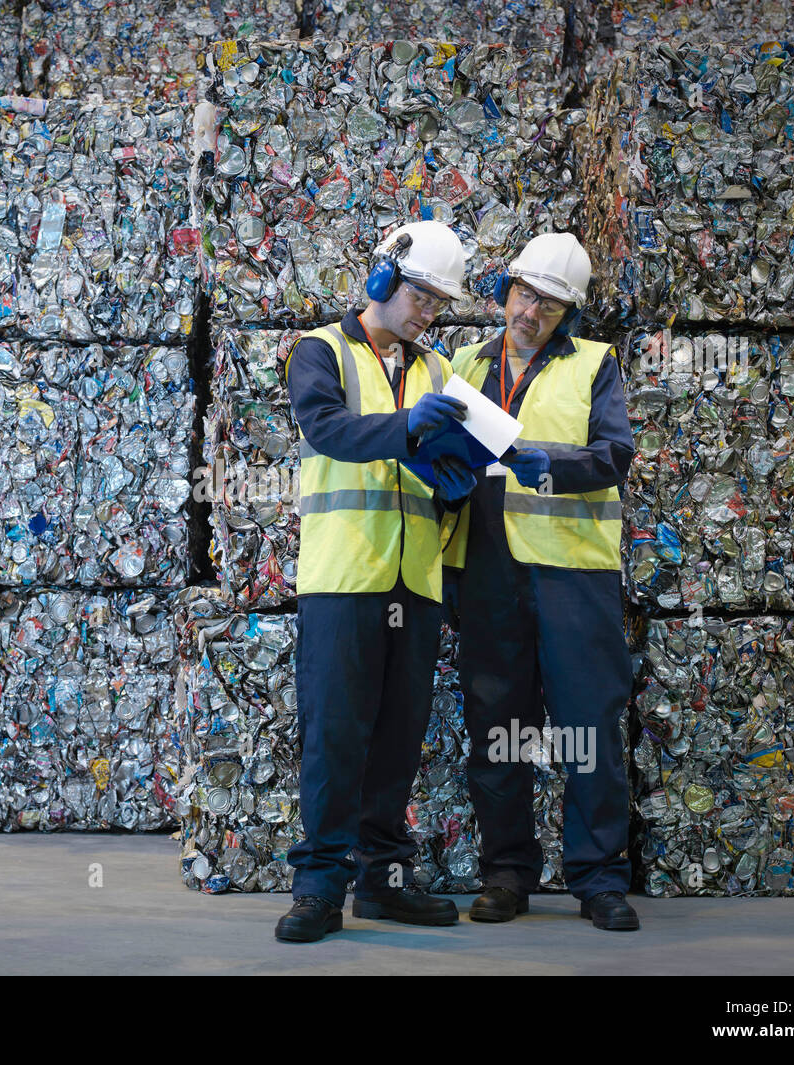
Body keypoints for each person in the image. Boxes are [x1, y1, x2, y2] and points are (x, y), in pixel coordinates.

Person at [275, 220, 477, 943]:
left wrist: (456, 482)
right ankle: (319, 888)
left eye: (439, 303)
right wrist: (407, 430)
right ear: (385, 280)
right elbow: (327, 430)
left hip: (414, 584)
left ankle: (384, 881)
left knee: (397, 737)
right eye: (421, 295)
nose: (428, 312)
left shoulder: (439, 370)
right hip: (345, 580)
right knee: (335, 734)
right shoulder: (319, 352)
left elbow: (443, 464)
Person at [441, 232, 640, 931]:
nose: (531, 312)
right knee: (499, 728)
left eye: (550, 306)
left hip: (570, 575)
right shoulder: (464, 362)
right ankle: (506, 873)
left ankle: (599, 877)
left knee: (588, 725)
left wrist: (543, 461)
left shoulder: (595, 365)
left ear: (567, 316)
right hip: (488, 571)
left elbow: (614, 454)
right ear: (507, 291)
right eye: (526, 295)